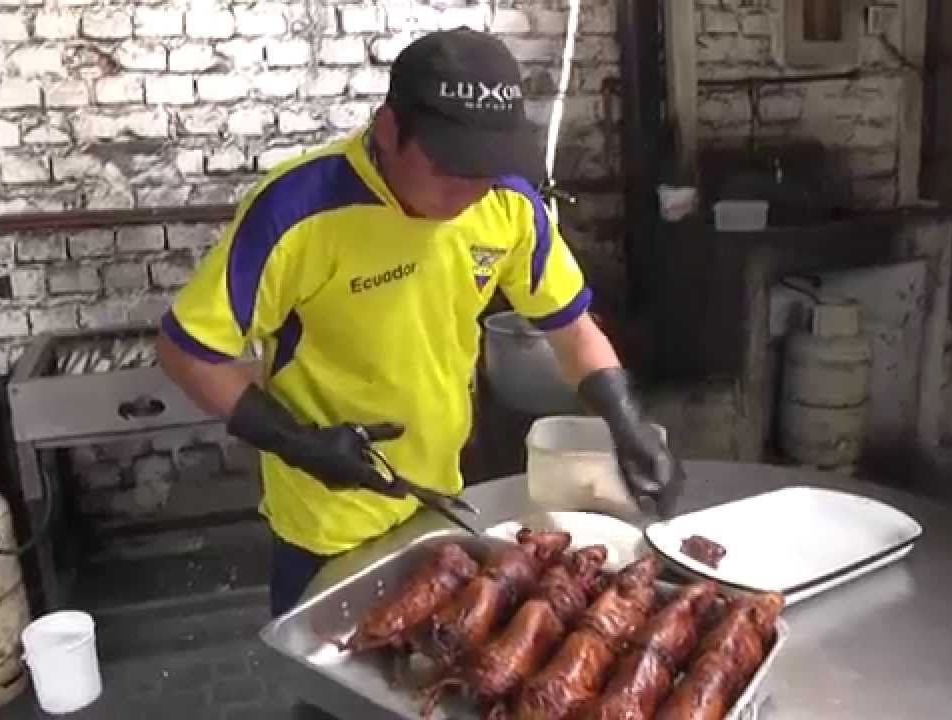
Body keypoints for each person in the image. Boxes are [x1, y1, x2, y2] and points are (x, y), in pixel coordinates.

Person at [157, 27, 685, 616]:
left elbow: (570, 326)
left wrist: (626, 419)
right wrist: (296, 443)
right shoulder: (297, 211)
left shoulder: (506, 202)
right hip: (329, 516)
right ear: (388, 129)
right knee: (328, 690)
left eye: (486, 167)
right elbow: (188, 351)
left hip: (442, 499)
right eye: (450, 166)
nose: (469, 189)